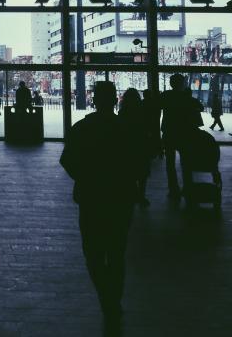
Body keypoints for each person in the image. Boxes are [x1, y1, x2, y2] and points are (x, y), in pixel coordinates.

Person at [60, 81, 140, 325]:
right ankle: (113, 298)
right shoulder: (126, 128)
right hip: (121, 198)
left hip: (91, 198)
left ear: (94, 100)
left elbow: (68, 161)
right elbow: (140, 162)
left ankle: (106, 295)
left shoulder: (83, 128)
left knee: (93, 252)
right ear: (115, 101)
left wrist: (85, 178)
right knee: (116, 252)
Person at [159, 74, 203, 200]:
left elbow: (157, 106)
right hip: (184, 133)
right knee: (185, 162)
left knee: (170, 163)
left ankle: (173, 189)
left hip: (169, 132)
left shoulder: (166, 96)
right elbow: (200, 107)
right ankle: (188, 187)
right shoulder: (186, 97)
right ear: (182, 84)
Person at [118, 88, 153, 208]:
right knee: (142, 173)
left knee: (130, 172)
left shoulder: (123, 112)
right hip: (141, 144)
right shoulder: (142, 111)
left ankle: (130, 194)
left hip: (127, 145)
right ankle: (141, 196)